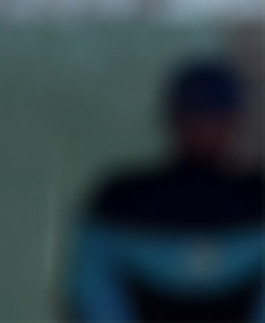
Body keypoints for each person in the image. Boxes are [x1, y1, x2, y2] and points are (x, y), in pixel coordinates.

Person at [67, 58, 264, 321]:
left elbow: (93, 301)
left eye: (213, 117)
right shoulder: (119, 201)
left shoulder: (121, 200)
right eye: (199, 116)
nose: (205, 127)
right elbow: (93, 298)